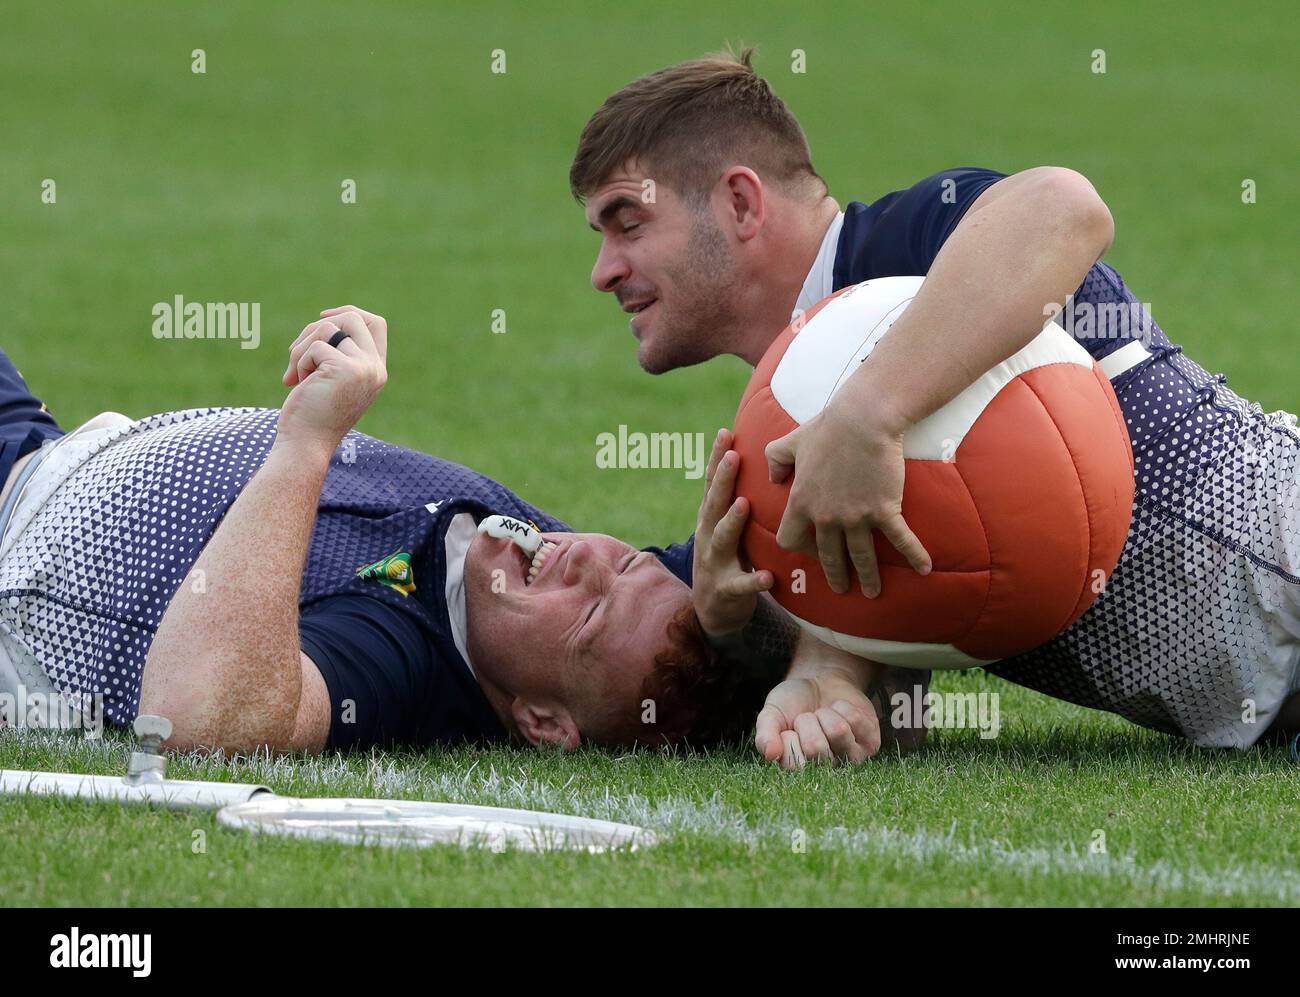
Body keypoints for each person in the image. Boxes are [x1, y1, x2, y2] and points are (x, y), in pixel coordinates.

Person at [570, 48, 1300, 756]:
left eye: (628, 221)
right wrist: (765, 643)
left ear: (739, 200)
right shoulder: (783, 439)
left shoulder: (910, 251)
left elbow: (1064, 206)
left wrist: (869, 413)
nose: (604, 271)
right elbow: (903, 696)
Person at [0, 308, 814, 755]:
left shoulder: (397, 655)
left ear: (541, 720)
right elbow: (826, 596)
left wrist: (308, 443)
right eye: (630, 560)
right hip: (46, 441)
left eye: (592, 611)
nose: (585, 560)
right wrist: (761, 636)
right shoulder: (635, 601)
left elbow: (198, 725)